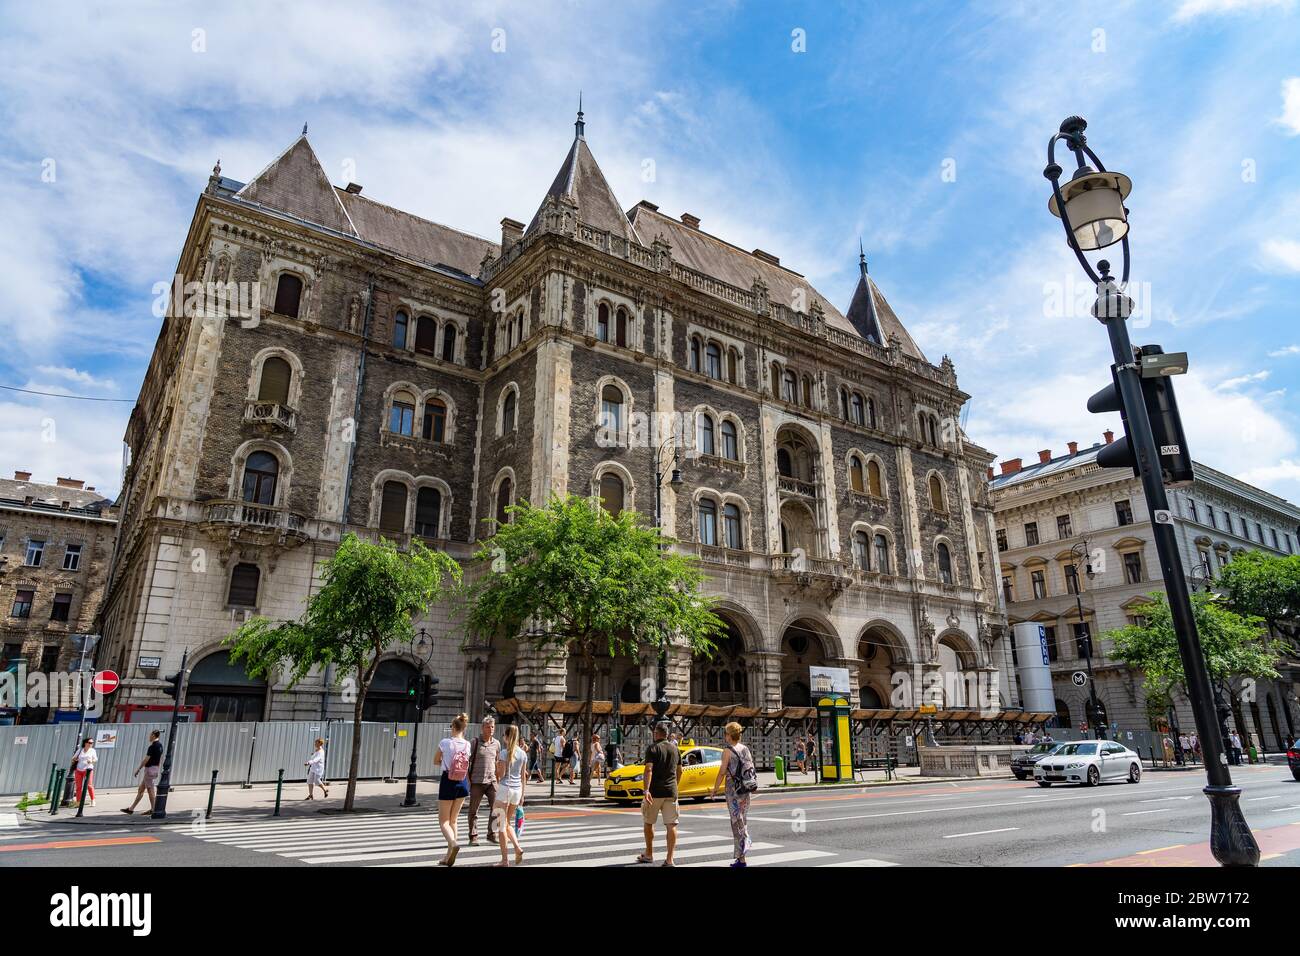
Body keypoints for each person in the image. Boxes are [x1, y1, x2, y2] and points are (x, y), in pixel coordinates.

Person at [710, 721, 756, 867]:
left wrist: (715, 788)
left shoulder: (727, 751)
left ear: (729, 735)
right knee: (743, 820)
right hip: (746, 789)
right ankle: (741, 856)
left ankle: (742, 856)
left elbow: (722, 771)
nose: (725, 736)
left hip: (733, 792)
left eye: (725, 733)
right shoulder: (745, 749)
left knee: (736, 823)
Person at [637, 722, 682, 866]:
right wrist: (675, 785)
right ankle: (670, 859)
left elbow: (648, 769)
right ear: (667, 734)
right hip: (671, 791)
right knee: (672, 825)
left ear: (656, 733)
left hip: (655, 792)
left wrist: (646, 790)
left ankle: (649, 854)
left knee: (649, 823)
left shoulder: (652, 748)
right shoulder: (675, 748)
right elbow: (680, 771)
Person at [434, 713, 472, 866]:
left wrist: (445, 760)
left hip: (448, 781)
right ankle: (449, 856)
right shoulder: (467, 744)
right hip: (462, 782)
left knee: (443, 821)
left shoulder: (445, 742)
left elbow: (436, 761)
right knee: (454, 820)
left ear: (454, 727)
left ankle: (453, 843)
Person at [494, 724, 528, 867]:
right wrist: (523, 795)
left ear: (507, 737)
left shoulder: (504, 752)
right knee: (507, 823)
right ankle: (517, 847)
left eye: (504, 736)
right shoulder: (523, 753)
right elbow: (523, 776)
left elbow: (500, 775)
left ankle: (505, 860)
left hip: (504, 790)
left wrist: (496, 766)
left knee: (501, 825)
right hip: (517, 790)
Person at [466, 716, 501, 845]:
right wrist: (468, 780)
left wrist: (498, 779)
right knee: (473, 810)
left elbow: (497, 762)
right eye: (488, 727)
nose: (491, 729)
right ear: (482, 728)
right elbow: (466, 762)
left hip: (491, 781)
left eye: (492, 727)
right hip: (476, 781)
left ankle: (492, 834)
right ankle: (473, 836)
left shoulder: (496, 743)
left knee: (497, 808)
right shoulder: (474, 742)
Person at [122, 731, 164, 814]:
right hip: (155, 768)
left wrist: (139, 768)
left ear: (153, 735)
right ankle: (131, 809)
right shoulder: (160, 746)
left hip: (149, 770)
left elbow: (146, 759)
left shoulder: (152, 746)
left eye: (150, 735)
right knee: (141, 789)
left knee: (150, 790)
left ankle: (154, 809)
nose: (149, 737)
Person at [72, 737, 98, 808]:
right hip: (78, 770)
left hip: (88, 770)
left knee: (89, 785)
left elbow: (96, 759)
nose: (91, 744)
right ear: (85, 743)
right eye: (90, 743)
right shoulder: (80, 750)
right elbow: (73, 758)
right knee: (78, 787)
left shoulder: (92, 750)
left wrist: (91, 761)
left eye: (92, 743)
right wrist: (75, 759)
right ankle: (78, 802)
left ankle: (93, 800)